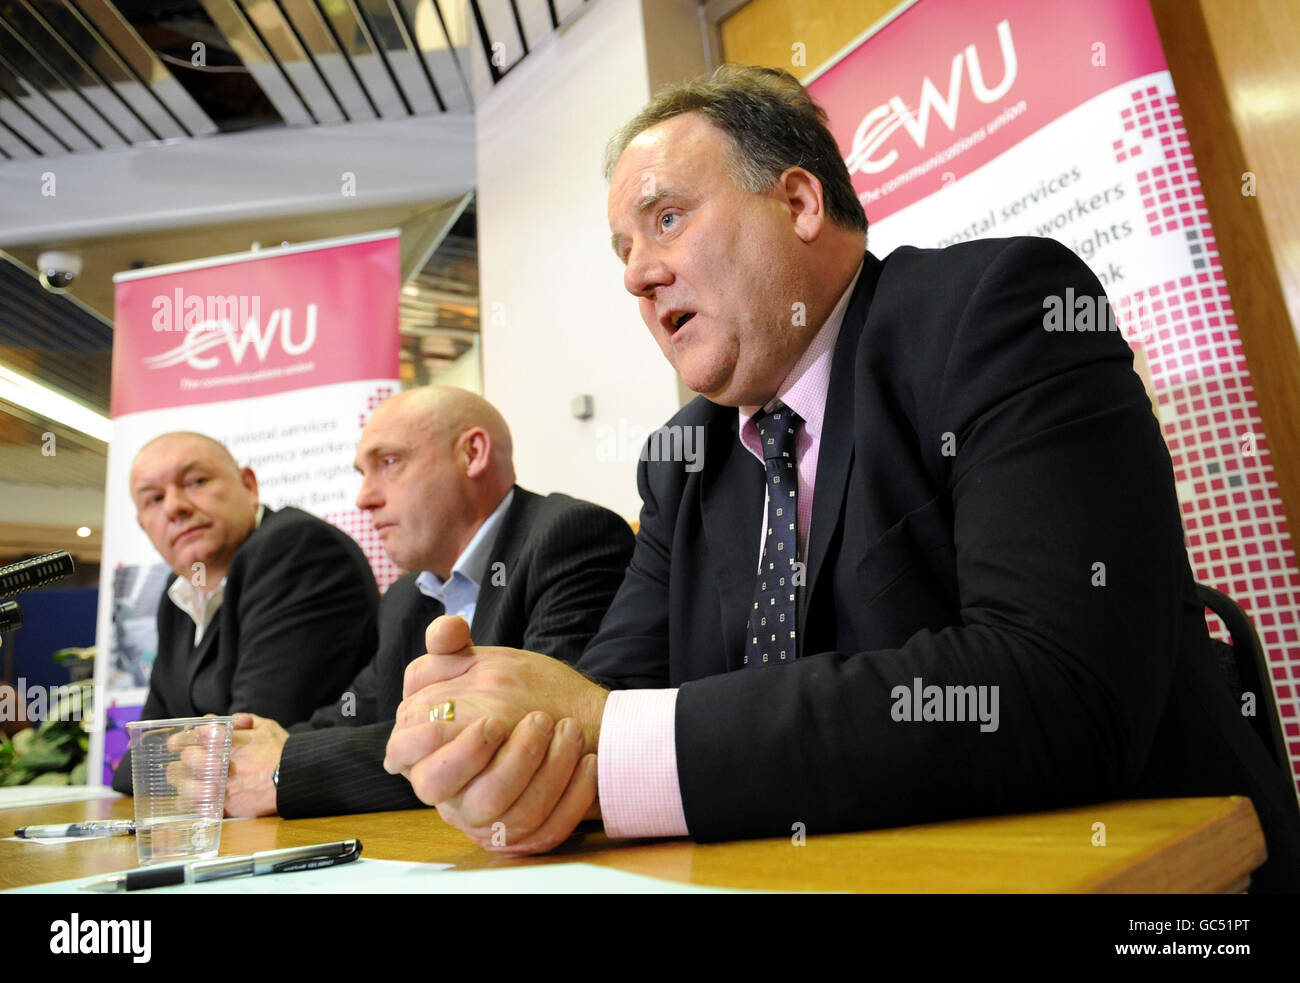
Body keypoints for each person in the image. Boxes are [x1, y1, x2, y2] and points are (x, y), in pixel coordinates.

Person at [381, 65, 1300, 890]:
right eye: (622, 247)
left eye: (665, 219)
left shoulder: (997, 312)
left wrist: (602, 738)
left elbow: (1056, 687)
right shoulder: (682, 458)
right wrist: (505, 751)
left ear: (800, 203)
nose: (636, 277)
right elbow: (601, 702)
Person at [222, 386, 635, 818]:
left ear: (472, 454)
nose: (364, 497)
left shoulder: (570, 537)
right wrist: (260, 746)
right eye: (362, 473)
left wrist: (288, 765)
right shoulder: (407, 594)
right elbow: (355, 714)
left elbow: (523, 732)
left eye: (389, 463)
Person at [111, 432, 378, 793]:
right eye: (154, 499)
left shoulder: (295, 549)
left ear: (249, 486)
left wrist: (171, 751)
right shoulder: (176, 597)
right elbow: (134, 761)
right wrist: (185, 750)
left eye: (196, 482)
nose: (174, 507)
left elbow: (249, 745)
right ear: (144, 525)